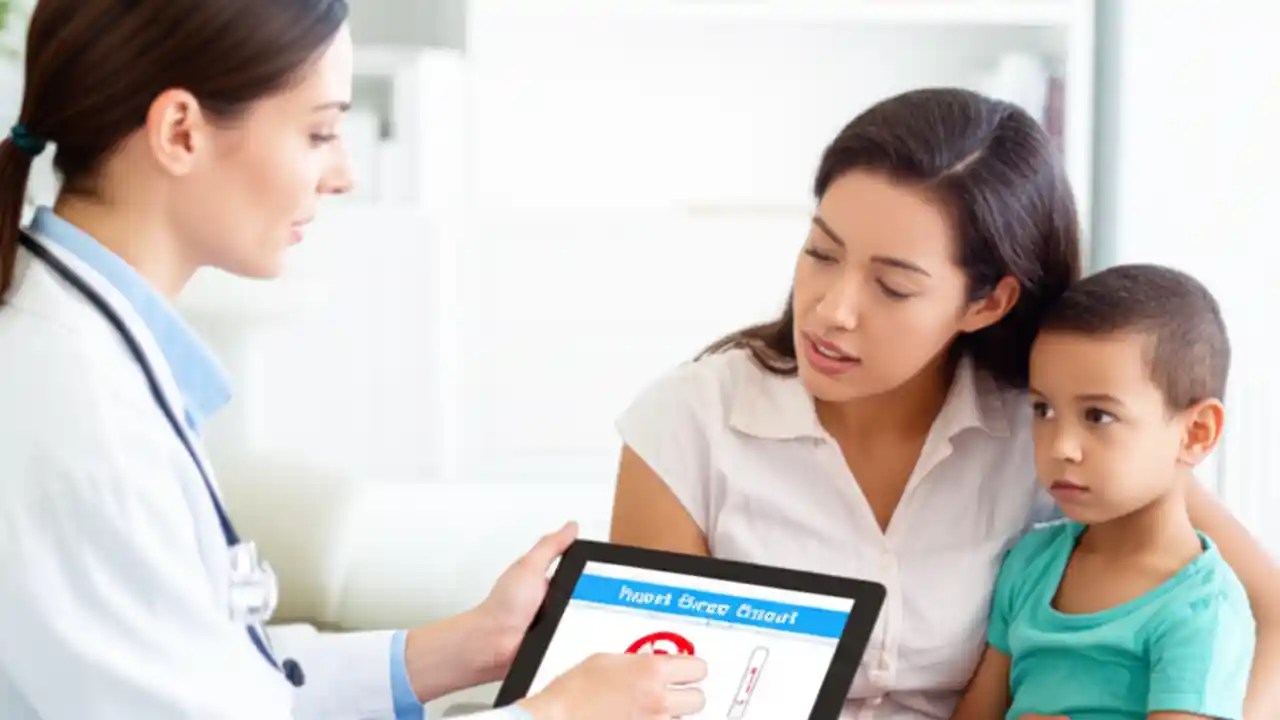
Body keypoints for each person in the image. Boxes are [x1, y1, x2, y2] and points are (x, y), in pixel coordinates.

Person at [0, 1, 705, 719]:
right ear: (181, 131)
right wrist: (555, 714)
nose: (343, 175)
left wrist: (471, 645)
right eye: (320, 132)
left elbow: (213, 672)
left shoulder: (75, 349)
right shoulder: (80, 416)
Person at [610, 88, 1279, 719]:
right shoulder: (691, 422)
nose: (831, 310)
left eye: (894, 286)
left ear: (988, 302)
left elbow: (1262, 606)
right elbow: (647, 693)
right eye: (820, 253)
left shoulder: (1049, 425)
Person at [952, 264, 1255, 720]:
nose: (1061, 447)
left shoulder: (1202, 611)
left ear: (1196, 433)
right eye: (1043, 409)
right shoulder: (1031, 562)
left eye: (1098, 416)